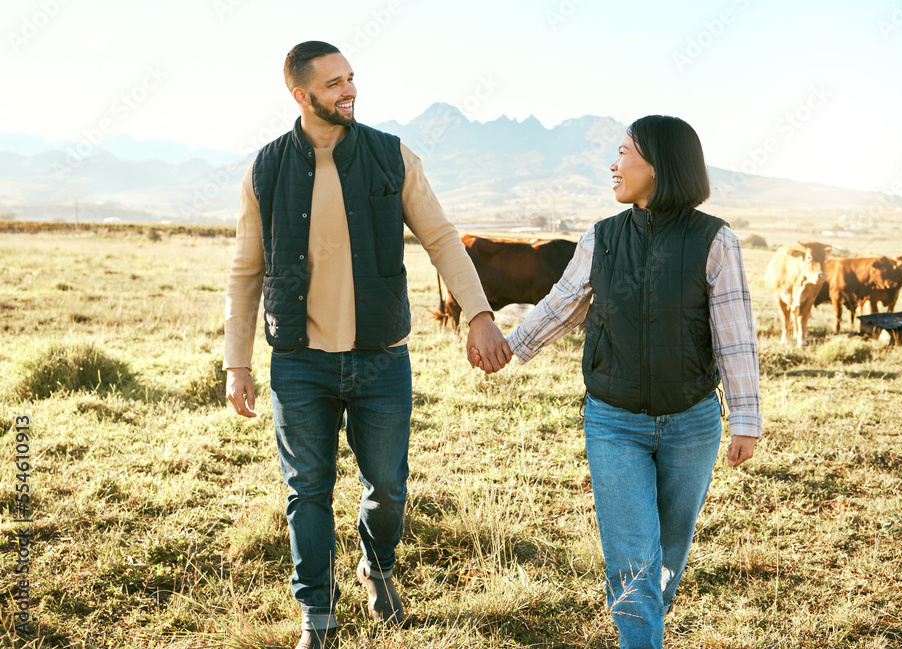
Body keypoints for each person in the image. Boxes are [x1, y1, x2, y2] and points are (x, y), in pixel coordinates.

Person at [224, 41, 512, 649]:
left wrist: (480, 313)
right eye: (333, 83)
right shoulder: (267, 169)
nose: (348, 90)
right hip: (299, 363)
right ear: (300, 96)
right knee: (308, 490)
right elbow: (245, 271)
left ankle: (376, 566)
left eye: (351, 78)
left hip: (381, 358)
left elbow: (440, 237)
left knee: (387, 488)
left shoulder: (391, 156)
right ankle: (317, 617)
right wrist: (237, 362)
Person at [475, 115, 761, 649]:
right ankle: (641, 639)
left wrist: (745, 419)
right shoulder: (601, 238)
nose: (613, 164)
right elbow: (561, 305)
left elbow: (735, 334)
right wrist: (506, 347)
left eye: (624, 152)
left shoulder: (714, 240)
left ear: (660, 165)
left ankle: (646, 621)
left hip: (692, 424)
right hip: (613, 421)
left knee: (668, 552)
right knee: (633, 552)